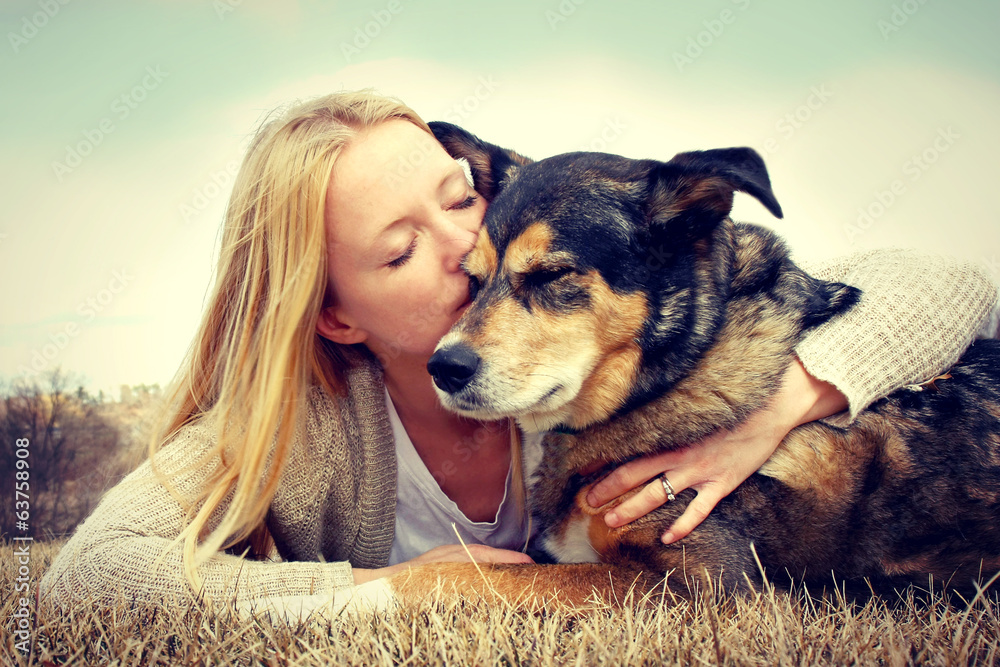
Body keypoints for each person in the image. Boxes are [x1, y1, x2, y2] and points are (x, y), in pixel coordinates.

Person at [40, 90, 998, 610]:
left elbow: (950, 286)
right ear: (337, 316)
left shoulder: (599, 352)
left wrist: (785, 407)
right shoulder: (312, 425)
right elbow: (89, 577)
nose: (467, 247)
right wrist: (392, 589)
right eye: (400, 249)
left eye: (459, 200)